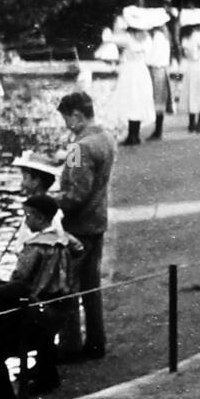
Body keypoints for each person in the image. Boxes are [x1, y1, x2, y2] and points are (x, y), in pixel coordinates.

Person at [0, 194, 73, 393]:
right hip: (60, 304)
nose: (25, 220)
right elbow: (79, 249)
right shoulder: (63, 239)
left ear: (39, 218)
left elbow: (20, 281)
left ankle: (5, 396)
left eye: (27, 215)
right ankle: (48, 375)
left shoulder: (34, 248)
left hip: (38, 308)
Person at [55, 91, 115, 360]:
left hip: (78, 226)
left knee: (68, 287)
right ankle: (96, 340)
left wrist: (50, 201)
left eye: (67, 119)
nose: (66, 125)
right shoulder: (105, 138)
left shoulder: (79, 148)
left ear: (77, 116)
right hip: (98, 220)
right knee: (92, 286)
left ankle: (70, 345)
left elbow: (76, 194)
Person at [10, 150, 83, 356]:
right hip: (31, 267)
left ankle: (43, 366)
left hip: (38, 278)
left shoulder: (48, 213)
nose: (22, 182)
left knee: (37, 324)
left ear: (36, 180)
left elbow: (58, 240)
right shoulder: (36, 207)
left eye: (25, 177)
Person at [110, 8, 158, 146]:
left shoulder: (127, 38)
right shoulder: (147, 38)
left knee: (131, 101)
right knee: (138, 102)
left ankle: (132, 135)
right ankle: (135, 135)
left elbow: (112, 38)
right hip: (142, 70)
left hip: (130, 70)